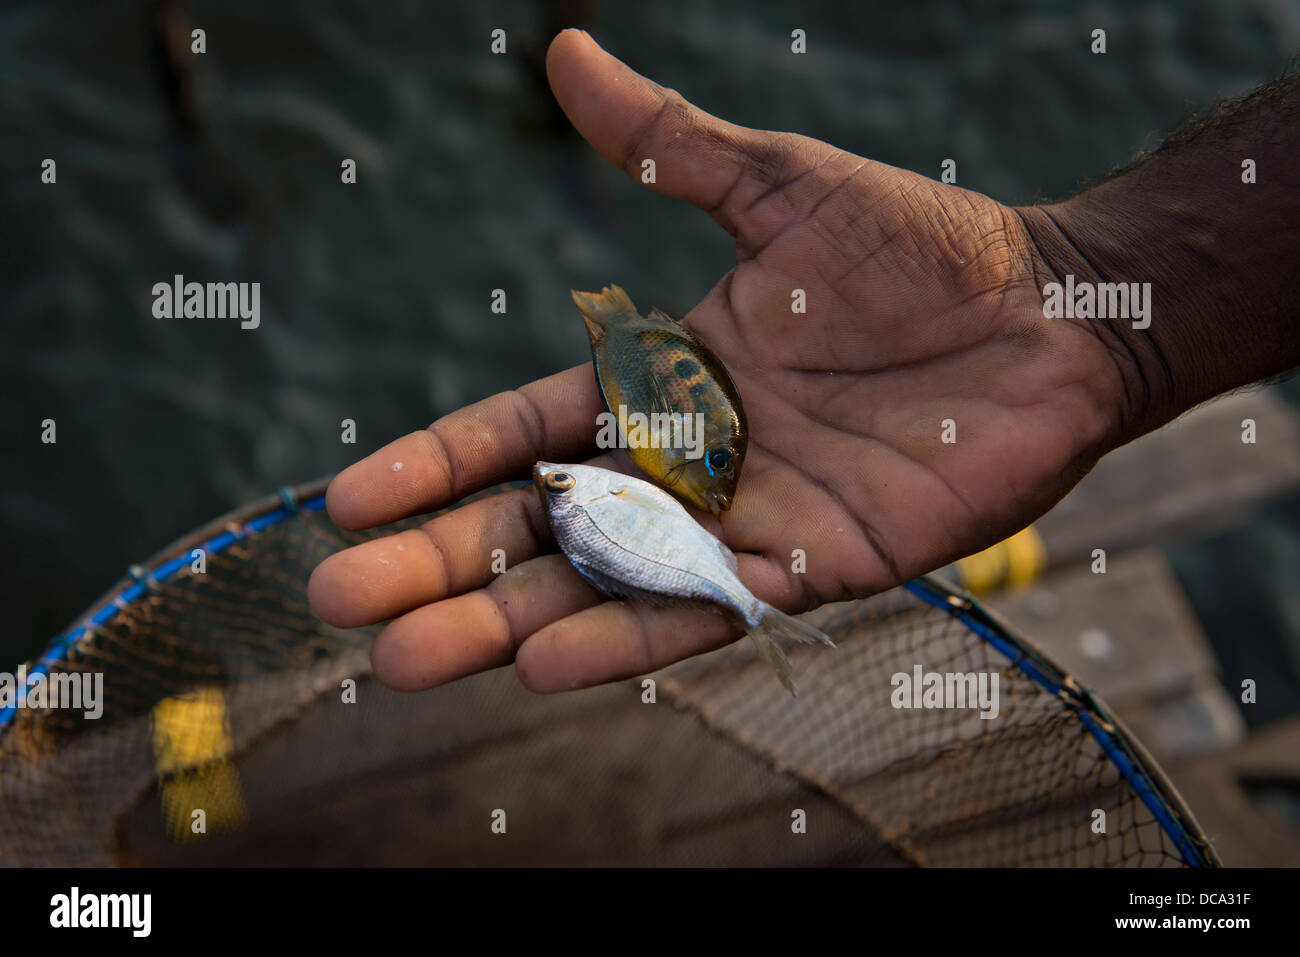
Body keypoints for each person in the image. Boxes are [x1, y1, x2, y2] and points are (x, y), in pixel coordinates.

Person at [308, 30, 1300, 694]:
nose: (713, 489)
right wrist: (1102, 307)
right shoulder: (659, 471)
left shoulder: (631, 480)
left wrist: (1088, 298)